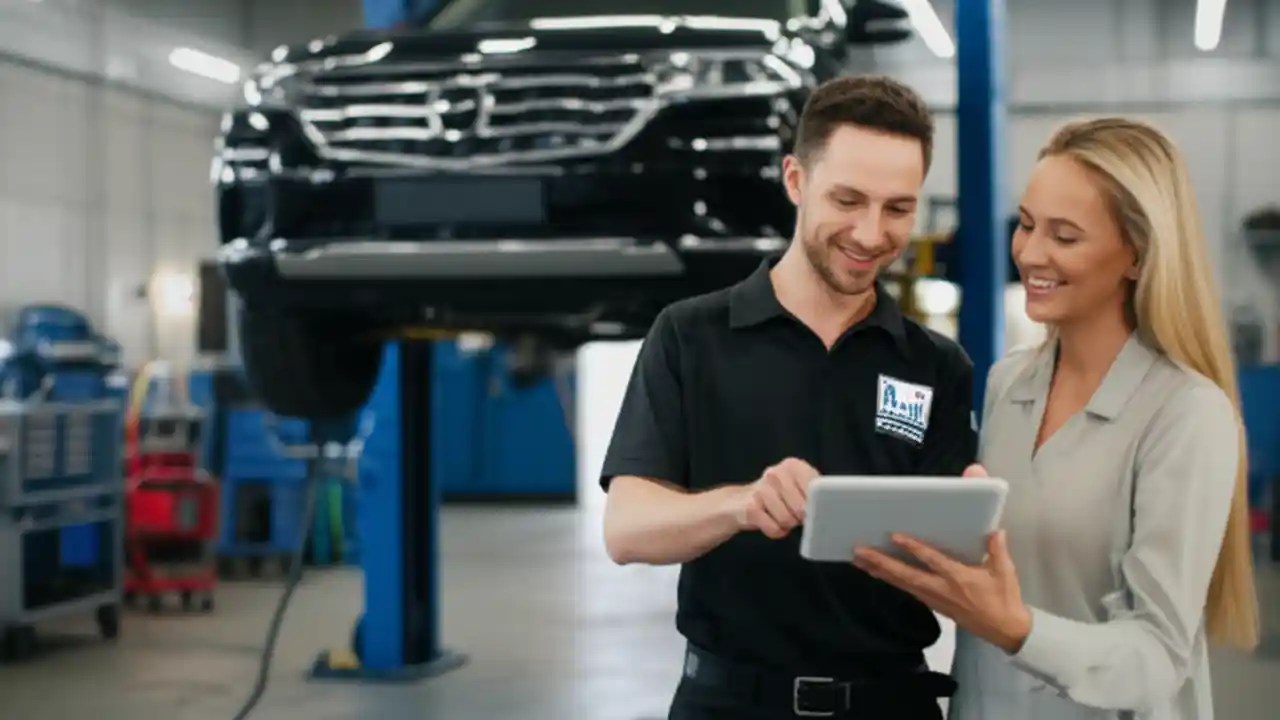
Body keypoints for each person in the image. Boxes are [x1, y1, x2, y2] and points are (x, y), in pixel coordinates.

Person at [852, 117, 1261, 720]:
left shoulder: (1186, 413)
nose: (1030, 253)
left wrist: (1015, 627)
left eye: (1065, 237)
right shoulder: (1008, 382)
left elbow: (1155, 657)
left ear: (1137, 255)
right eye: (1026, 224)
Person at [599, 75, 977, 720]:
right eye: (848, 199)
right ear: (796, 180)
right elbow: (628, 530)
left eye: (897, 208)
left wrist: (965, 534)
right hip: (729, 703)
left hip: (893, 704)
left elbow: (951, 572)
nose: (870, 233)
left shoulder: (935, 365)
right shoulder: (691, 336)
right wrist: (742, 506)